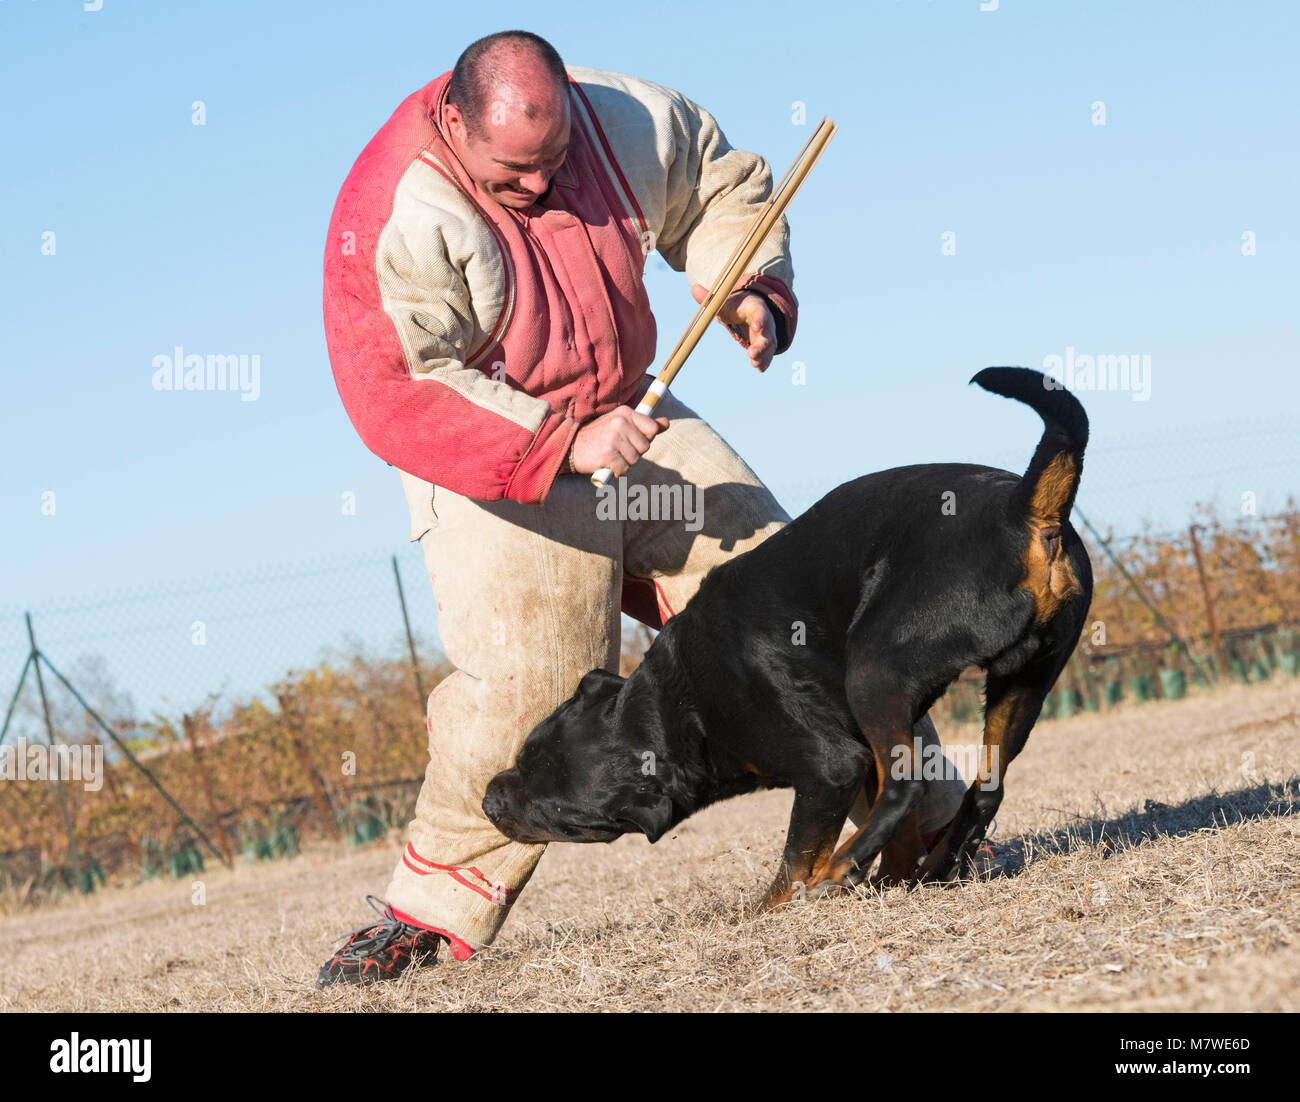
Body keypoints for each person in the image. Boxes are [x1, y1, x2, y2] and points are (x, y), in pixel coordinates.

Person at [317, 30, 965, 987]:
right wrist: (560, 442)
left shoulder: (621, 119)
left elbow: (714, 184)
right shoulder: (394, 209)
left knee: (797, 598)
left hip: (632, 411)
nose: (539, 187)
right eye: (513, 174)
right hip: (495, 448)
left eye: (555, 163)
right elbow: (398, 387)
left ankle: (927, 824)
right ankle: (431, 910)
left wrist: (747, 285)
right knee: (528, 684)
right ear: (457, 121)